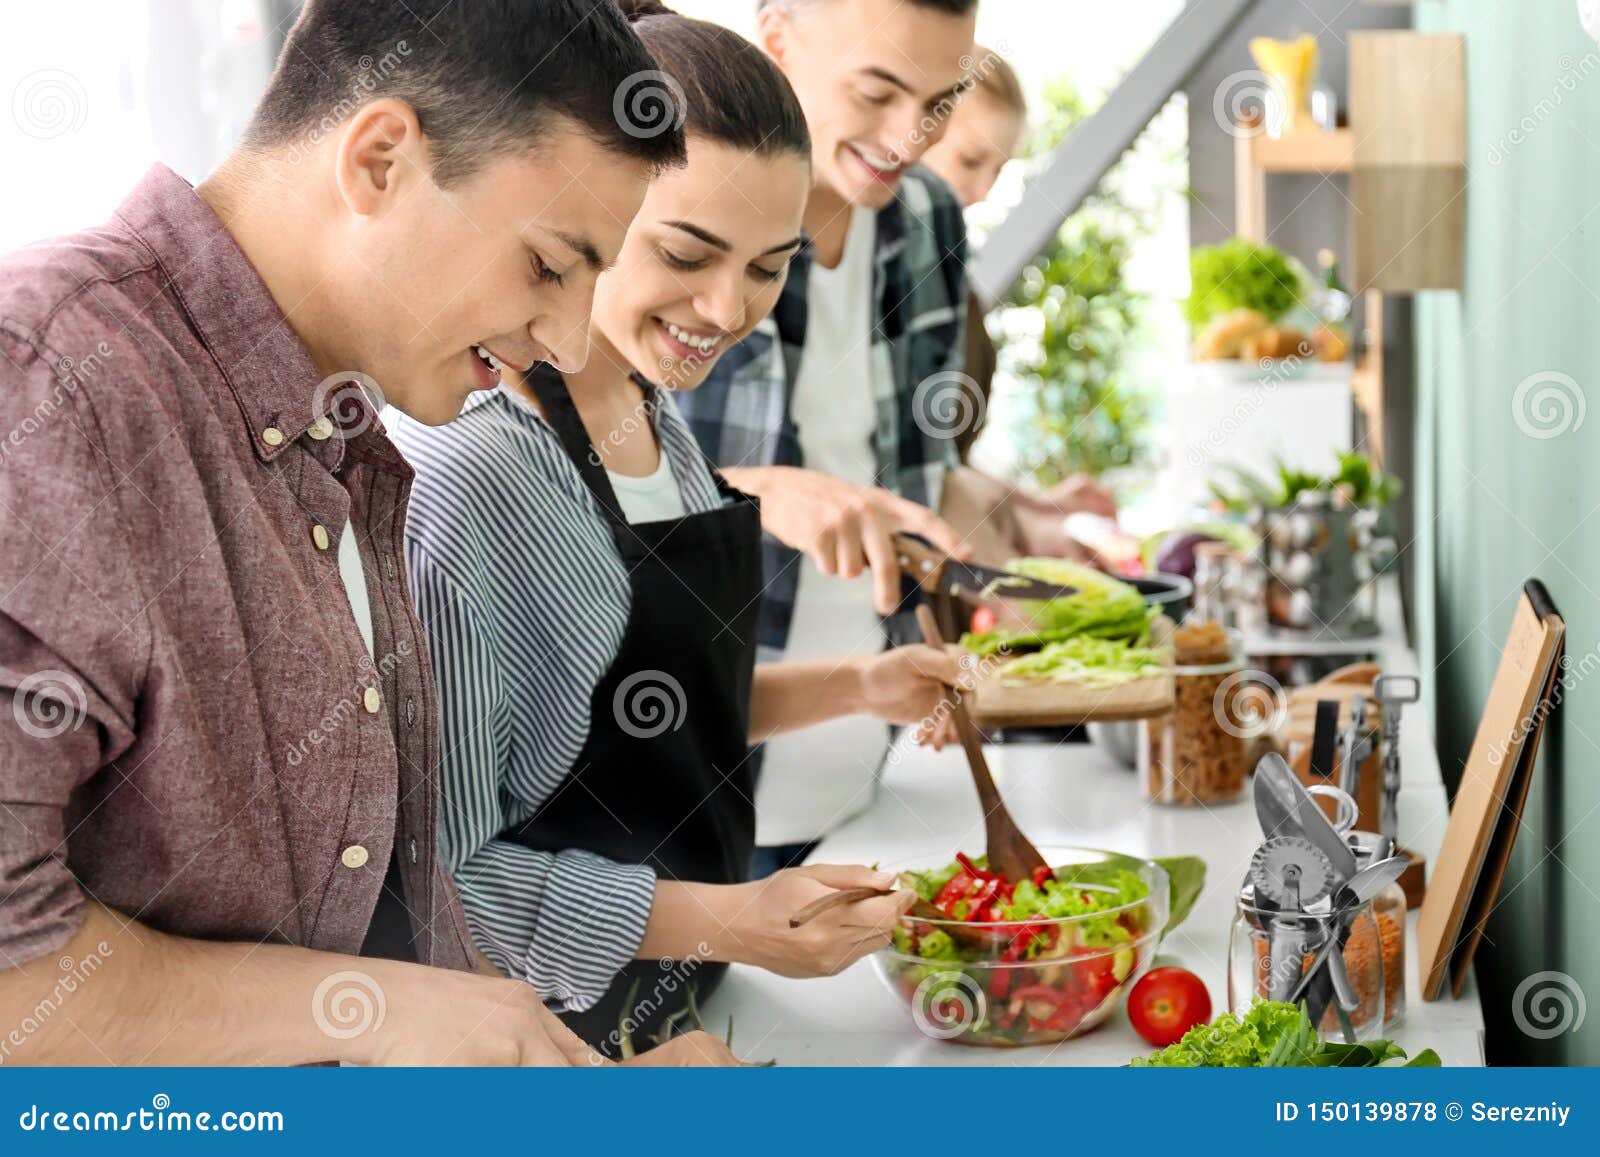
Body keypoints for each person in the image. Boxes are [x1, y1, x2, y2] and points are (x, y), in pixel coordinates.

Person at [0, 0, 732, 1067]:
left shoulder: (349, 433)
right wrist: (378, 1007)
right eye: (547, 266)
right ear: (381, 157)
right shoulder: (50, 382)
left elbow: (386, 910)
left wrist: (584, 1088)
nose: (568, 341)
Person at [393, 1, 962, 1055]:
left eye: (766, 266)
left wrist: (858, 684)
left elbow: (642, 720)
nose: (724, 307)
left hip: (704, 1010)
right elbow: (445, 875)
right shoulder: (470, 473)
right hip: (554, 1051)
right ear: (593, 214)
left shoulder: (660, 422)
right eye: (686, 252)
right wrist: (734, 915)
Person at [675, 0, 982, 876]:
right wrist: (757, 490)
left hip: (870, 774)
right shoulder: (692, 218)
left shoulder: (928, 219)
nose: (909, 135)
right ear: (779, 39)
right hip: (706, 782)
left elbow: (915, 478)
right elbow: (577, 491)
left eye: (941, 100)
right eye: (879, 91)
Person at [920, 45, 1119, 560]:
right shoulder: (872, 280)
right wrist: (1022, 582)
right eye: (970, 161)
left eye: (1000, 170)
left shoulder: (949, 277)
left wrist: (1037, 508)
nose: (983, 190)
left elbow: (938, 467)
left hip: (942, 567)